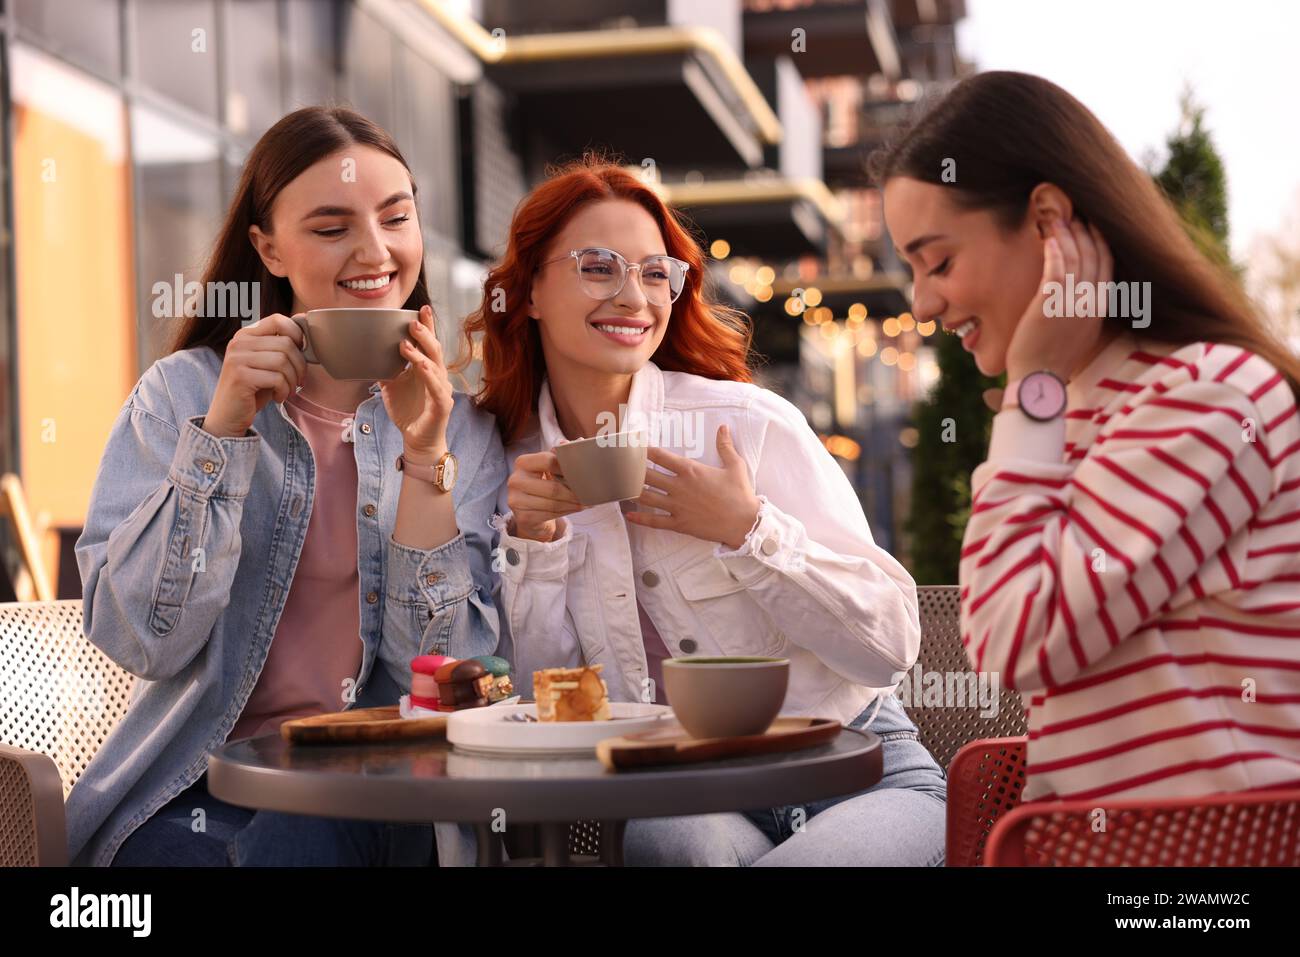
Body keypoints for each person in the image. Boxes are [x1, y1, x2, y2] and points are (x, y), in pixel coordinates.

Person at [453, 157, 947, 866]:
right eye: (599, 266)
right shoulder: (510, 465)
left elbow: (892, 643)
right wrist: (535, 542)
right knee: (667, 842)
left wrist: (748, 530)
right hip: (689, 794)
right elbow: (550, 711)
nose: (634, 297)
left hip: (857, 771)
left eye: (656, 273)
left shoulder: (745, 425)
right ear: (528, 289)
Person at [67, 107, 505, 866]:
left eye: (396, 217)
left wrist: (424, 452)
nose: (375, 250)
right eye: (332, 228)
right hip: (198, 789)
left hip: (383, 792)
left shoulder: (460, 427)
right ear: (267, 248)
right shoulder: (182, 395)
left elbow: (438, 674)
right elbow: (142, 638)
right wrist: (224, 434)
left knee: (311, 831)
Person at [873, 71, 1300, 803]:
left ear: (1047, 220)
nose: (922, 301)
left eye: (939, 261)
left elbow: (1014, 637)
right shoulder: (1071, 412)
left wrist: (1032, 385)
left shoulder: (1210, 398)